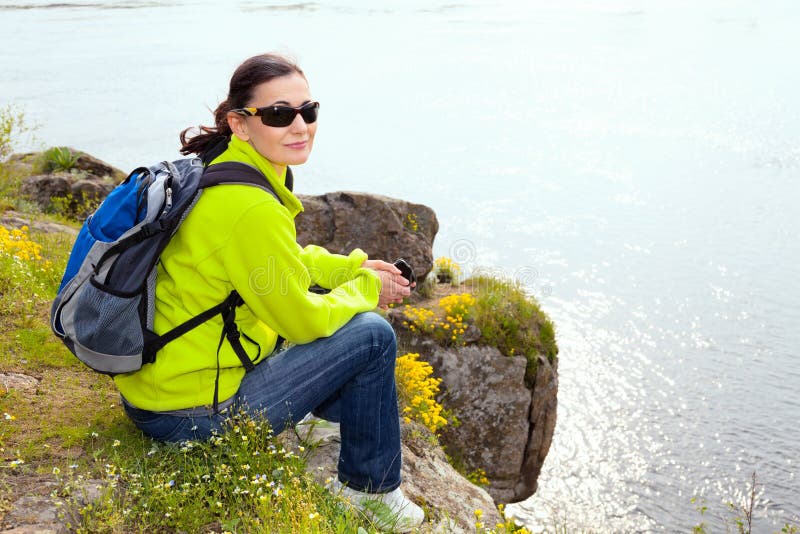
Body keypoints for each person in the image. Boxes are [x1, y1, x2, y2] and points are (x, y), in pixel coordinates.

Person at [113, 53, 424, 532]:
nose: (300, 125)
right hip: (193, 418)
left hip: (160, 394)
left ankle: (327, 418)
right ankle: (369, 490)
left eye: (309, 110)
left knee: (337, 317)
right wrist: (366, 289)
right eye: (279, 114)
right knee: (372, 334)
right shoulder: (248, 206)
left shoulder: (222, 169)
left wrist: (349, 269)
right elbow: (300, 321)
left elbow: (277, 264)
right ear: (240, 123)